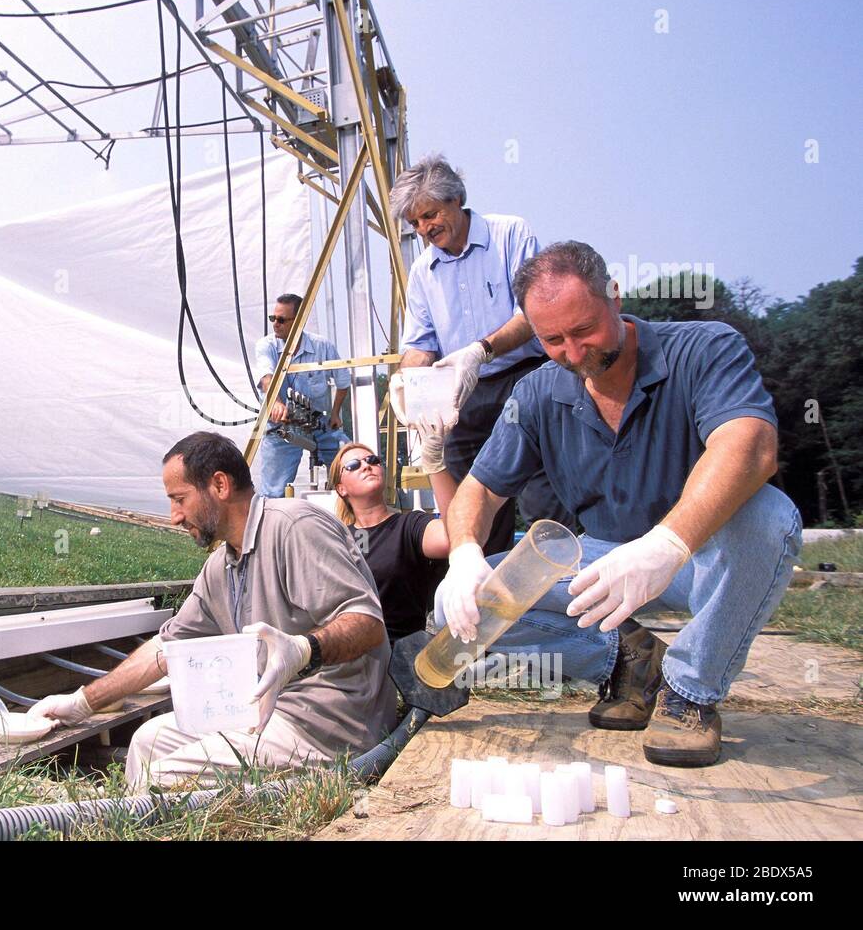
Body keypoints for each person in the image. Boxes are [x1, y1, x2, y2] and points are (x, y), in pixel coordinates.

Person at [434, 241, 801, 767]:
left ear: (614, 296)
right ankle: (629, 662)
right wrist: (464, 554)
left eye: (584, 331)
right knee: (461, 614)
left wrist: (667, 543)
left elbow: (751, 444)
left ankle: (690, 692)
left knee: (769, 517)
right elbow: (481, 489)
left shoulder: (703, 349)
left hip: (699, 557)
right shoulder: (537, 392)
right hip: (602, 561)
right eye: (552, 339)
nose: (574, 353)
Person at [29, 431, 395, 791]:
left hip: (326, 724)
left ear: (219, 485)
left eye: (179, 499)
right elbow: (165, 649)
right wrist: (82, 702)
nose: (174, 516)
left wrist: (304, 650)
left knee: (162, 779)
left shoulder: (295, 526)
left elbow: (367, 624)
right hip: (263, 712)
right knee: (145, 743)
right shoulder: (221, 565)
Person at [389, 154, 573, 554]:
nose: (424, 228)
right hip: (462, 397)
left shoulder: (510, 234)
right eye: (415, 223)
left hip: (526, 378)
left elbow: (534, 314)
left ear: (456, 198)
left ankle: (568, 599)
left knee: (546, 501)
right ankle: (486, 604)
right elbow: (420, 345)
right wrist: (404, 382)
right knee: (469, 512)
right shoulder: (423, 272)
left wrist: (481, 350)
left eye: (430, 214)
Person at [330, 439, 457, 644]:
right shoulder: (336, 539)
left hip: (400, 658)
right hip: (349, 657)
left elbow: (456, 537)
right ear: (341, 488)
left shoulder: (409, 526)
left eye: (372, 460)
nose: (366, 465)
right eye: (354, 465)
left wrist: (435, 464)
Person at [254, 293, 351, 496]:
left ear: (298, 321)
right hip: (282, 427)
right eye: (273, 319)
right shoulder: (267, 346)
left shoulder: (322, 346)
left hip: (319, 424)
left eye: (281, 320)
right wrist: (276, 404)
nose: (275, 324)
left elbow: (343, 382)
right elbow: (266, 378)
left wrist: (335, 414)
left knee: (351, 466)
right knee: (274, 493)